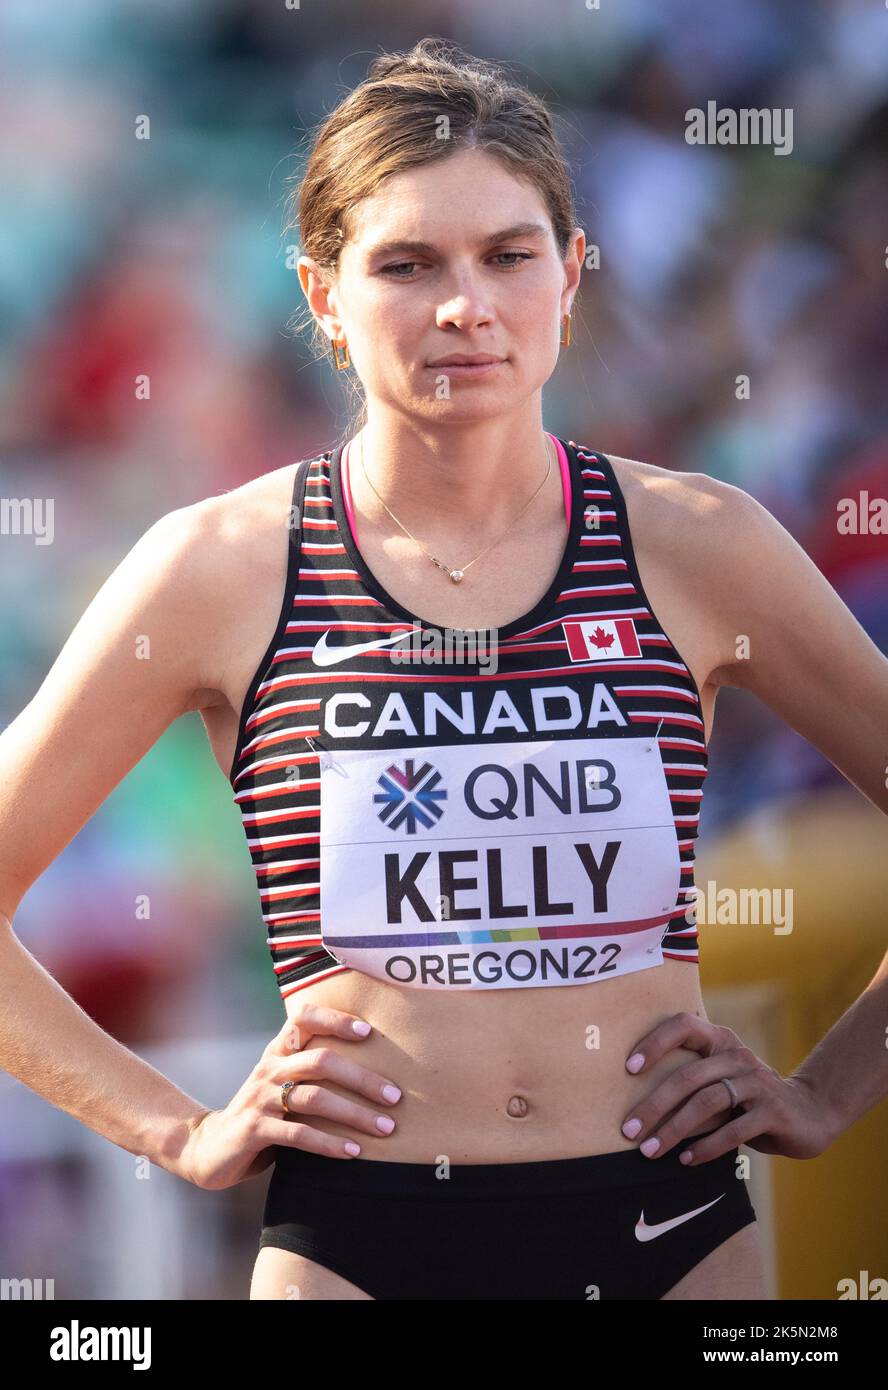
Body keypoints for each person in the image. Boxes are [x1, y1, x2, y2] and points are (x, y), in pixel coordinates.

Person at [2, 38, 886, 1302]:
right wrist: (172, 1129)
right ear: (320, 293)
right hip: (358, 1238)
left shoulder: (704, 544)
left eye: (508, 256)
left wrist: (830, 1088)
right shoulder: (218, 569)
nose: (465, 306)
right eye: (407, 264)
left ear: (572, 275)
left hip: (671, 1225)